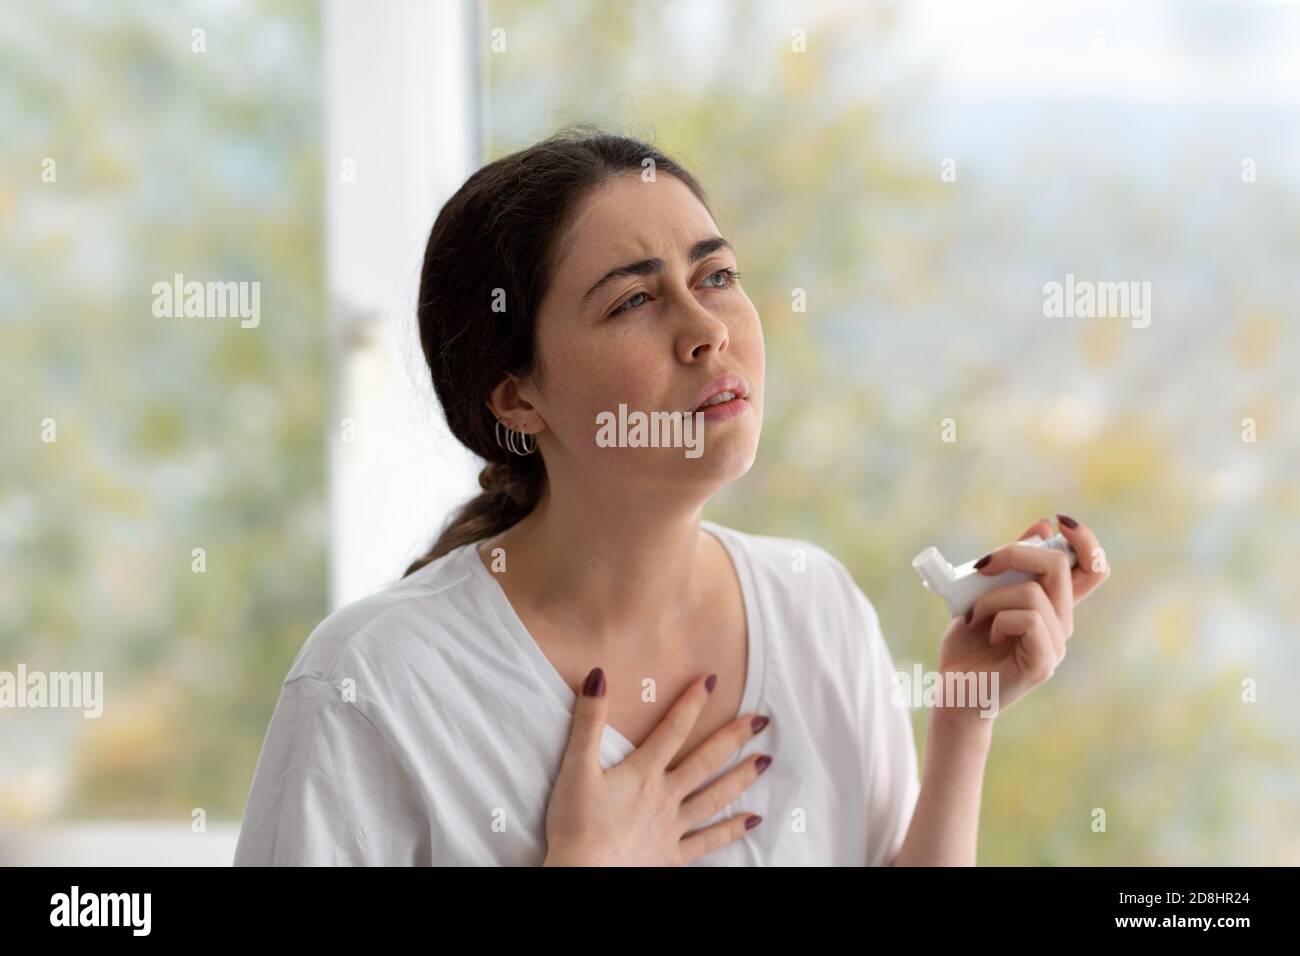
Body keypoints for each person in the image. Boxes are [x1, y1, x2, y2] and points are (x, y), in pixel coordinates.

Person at [233, 126, 1110, 866]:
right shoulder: (370, 686)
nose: (706, 331)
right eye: (635, 301)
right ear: (515, 395)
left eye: (717, 277)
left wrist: (966, 720)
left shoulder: (817, 607)